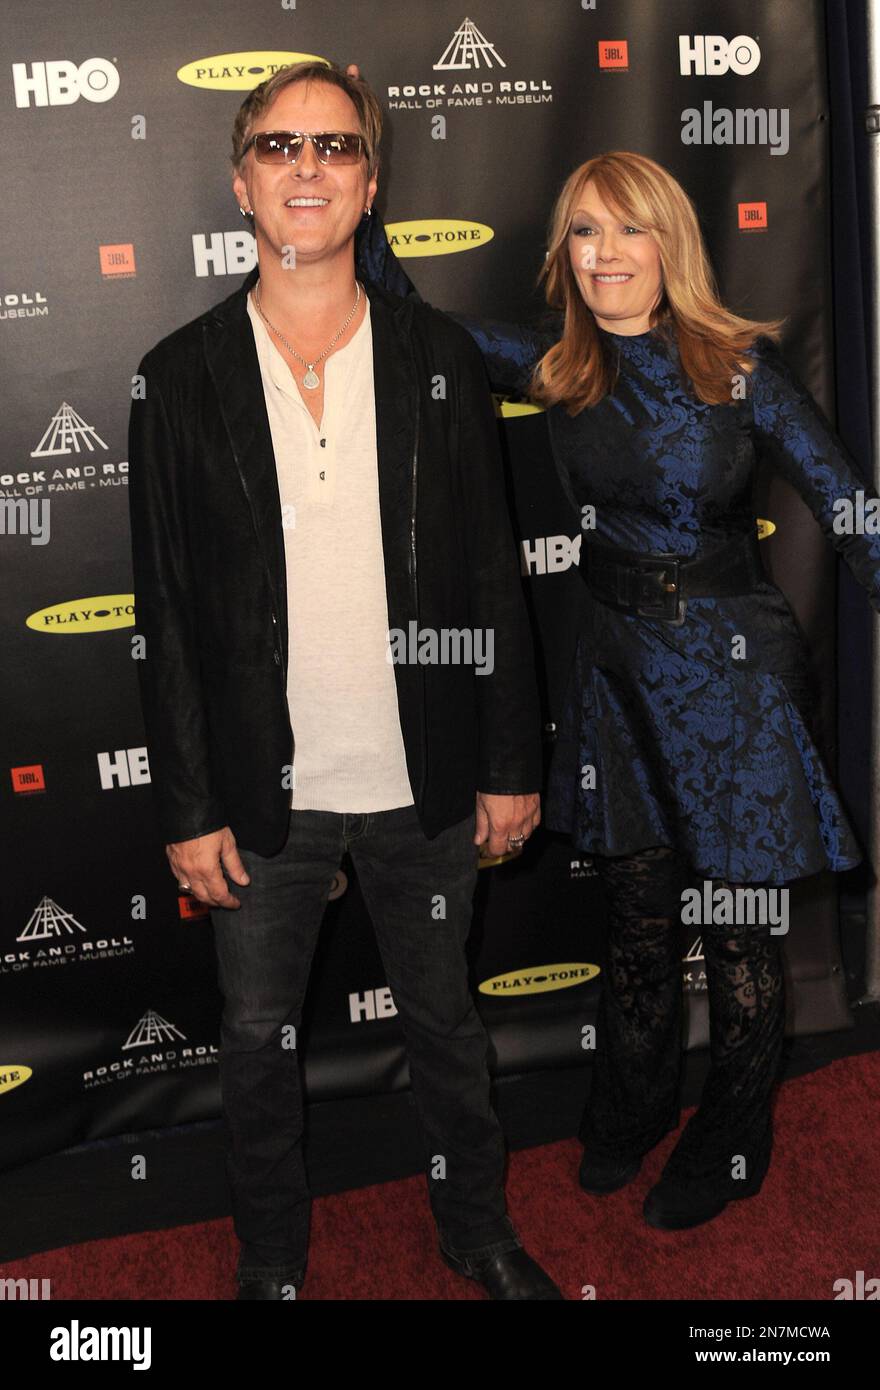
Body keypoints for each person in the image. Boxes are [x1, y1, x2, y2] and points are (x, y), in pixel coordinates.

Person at [355, 145, 880, 1230]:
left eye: (625, 228)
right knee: (639, 921)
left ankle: (733, 1135)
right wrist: (365, 179)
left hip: (730, 676)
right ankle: (629, 1111)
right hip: (615, 671)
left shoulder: (737, 369)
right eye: (583, 232)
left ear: (668, 242)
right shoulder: (559, 367)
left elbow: (848, 504)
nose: (604, 254)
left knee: (736, 933)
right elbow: (409, 322)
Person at [127, 61, 563, 1300]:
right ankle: (270, 1258)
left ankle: (476, 1229)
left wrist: (507, 765)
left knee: (446, 1032)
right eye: (278, 147)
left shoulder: (434, 354)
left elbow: (491, 574)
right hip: (263, 800)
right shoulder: (179, 374)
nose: (305, 167)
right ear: (239, 180)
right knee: (255, 1046)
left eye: (332, 147)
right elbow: (161, 612)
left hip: (418, 777)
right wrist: (186, 805)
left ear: (370, 183)